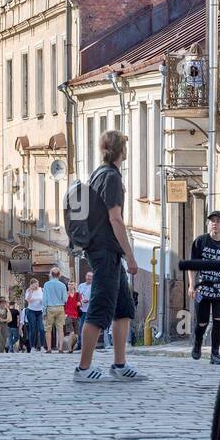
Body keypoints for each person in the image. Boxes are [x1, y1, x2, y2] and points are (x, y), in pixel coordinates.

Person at [74, 130, 143, 382]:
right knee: (100, 309)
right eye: (125, 145)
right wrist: (131, 256)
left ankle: (119, 364)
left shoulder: (99, 173)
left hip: (106, 251)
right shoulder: (111, 178)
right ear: (120, 151)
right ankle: (83, 369)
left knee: (123, 308)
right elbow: (115, 218)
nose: (127, 150)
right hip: (105, 252)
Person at [187, 211, 220, 364]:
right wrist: (191, 285)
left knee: (218, 320)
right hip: (203, 289)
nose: (215, 223)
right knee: (202, 322)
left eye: (218, 221)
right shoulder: (200, 241)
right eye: (212, 221)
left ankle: (215, 353)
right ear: (208, 224)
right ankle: (197, 344)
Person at [42, 268, 68, 352]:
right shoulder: (63, 285)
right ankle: (60, 348)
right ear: (59, 275)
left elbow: (44, 299)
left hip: (50, 307)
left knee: (48, 329)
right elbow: (65, 299)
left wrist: (44, 310)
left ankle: (49, 348)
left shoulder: (46, 284)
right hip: (60, 307)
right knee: (60, 328)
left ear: (51, 274)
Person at [24, 278, 46, 353]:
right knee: (33, 329)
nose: (37, 285)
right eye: (35, 284)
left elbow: (45, 300)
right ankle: (32, 347)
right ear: (31, 284)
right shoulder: (28, 290)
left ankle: (42, 346)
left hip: (40, 311)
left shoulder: (42, 290)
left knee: (41, 329)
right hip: (31, 311)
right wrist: (31, 291)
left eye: (37, 284)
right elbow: (28, 300)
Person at [63, 284, 81, 353]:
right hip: (68, 315)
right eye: (69, 285)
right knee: (72, 332)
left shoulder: (77, 295)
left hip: (76, 315)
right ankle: (70, 349)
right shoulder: (65, 294)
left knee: (76, 335)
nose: (70, 286)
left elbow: (79, 303)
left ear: (74, 286)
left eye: (72, 285)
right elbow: (63, 303)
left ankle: (71, 347)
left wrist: (79, 303)